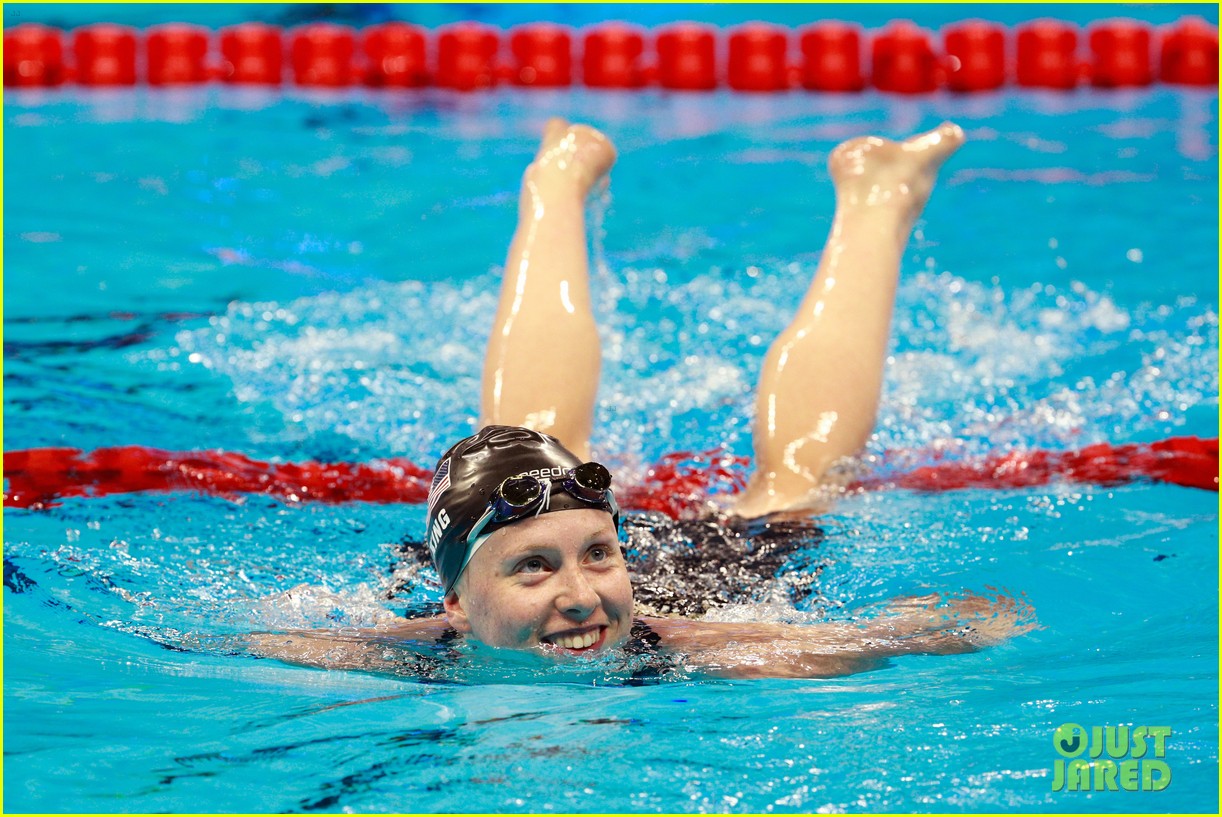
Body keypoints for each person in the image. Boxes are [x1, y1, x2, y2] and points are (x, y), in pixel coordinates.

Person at [248, 118, 1034, 680]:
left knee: (791, 483)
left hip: (707, 579)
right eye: (533, 569)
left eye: (598, 554)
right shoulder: (415, 643)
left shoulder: (678, 634)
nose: (581, 598)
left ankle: (878, 196)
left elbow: (849, 645)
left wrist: (929, 633)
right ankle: (559, 177)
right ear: (451, 601)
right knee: (778, 484)